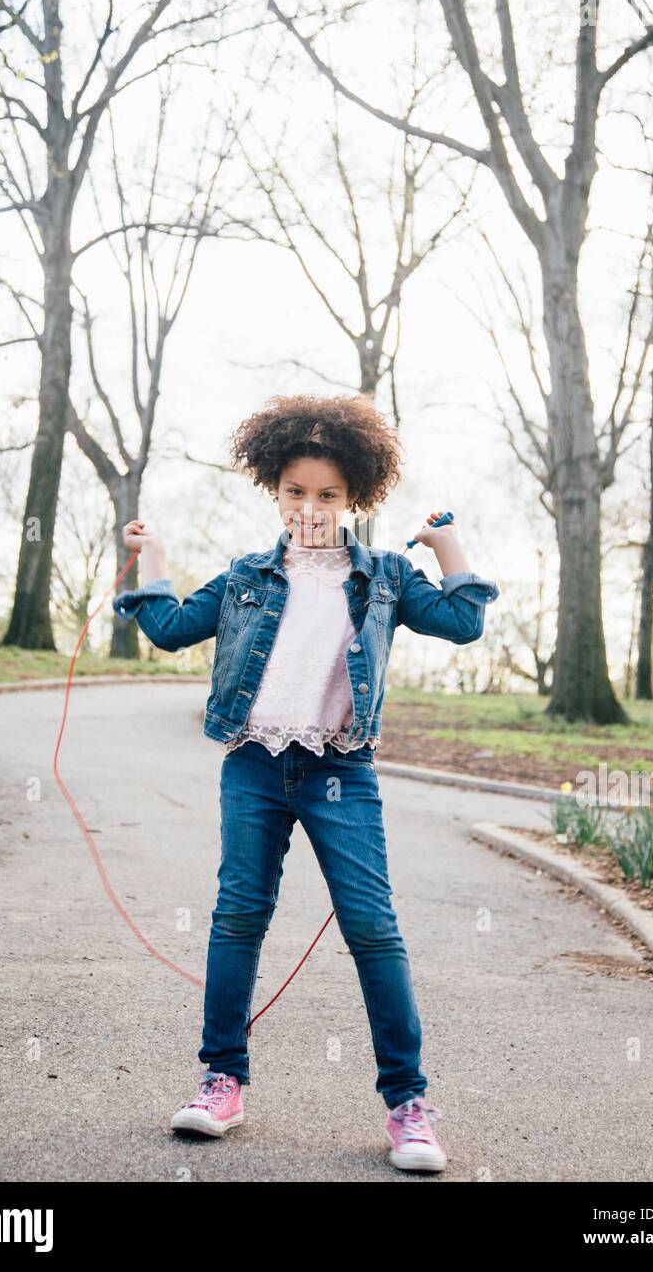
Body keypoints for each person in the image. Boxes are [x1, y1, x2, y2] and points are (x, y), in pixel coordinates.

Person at [113, 393, 499, 1173]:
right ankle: (222, 1081)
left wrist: (447, 546)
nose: (311, 509)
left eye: (328, 494)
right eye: (296, 492)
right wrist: (153, 558)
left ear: (354, 496)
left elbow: (463, 624)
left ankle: (408, 1106)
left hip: (339, 770)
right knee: (237, 919)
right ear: (275, 490)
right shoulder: (246, 576)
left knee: (372, 927)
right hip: (253, 765)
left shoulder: (386, 576)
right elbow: (169, 630)